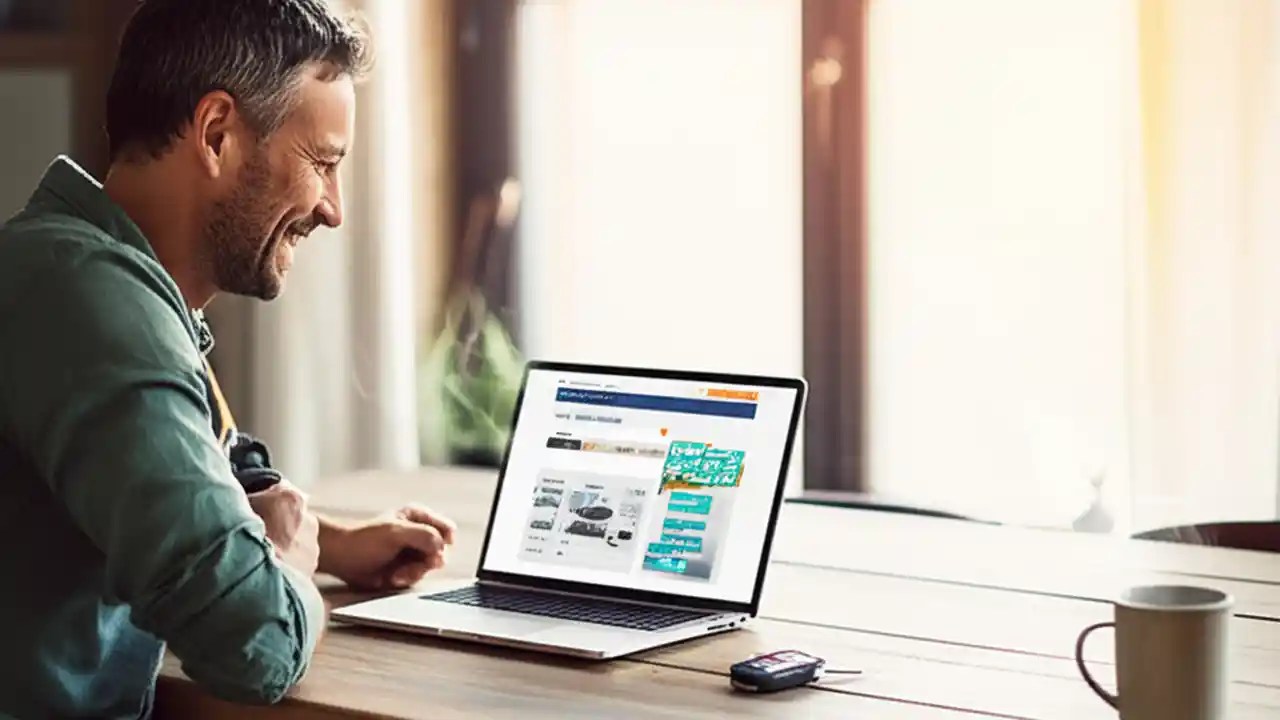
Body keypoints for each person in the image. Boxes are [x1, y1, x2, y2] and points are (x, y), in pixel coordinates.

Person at [0, 1, 456, 717]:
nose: (333, 208)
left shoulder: (66, 271)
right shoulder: (96, 305)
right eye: (322, 163)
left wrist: (328, 541)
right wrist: (289, 567)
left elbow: (142, 483)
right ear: (216, 134)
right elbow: (253, 643)